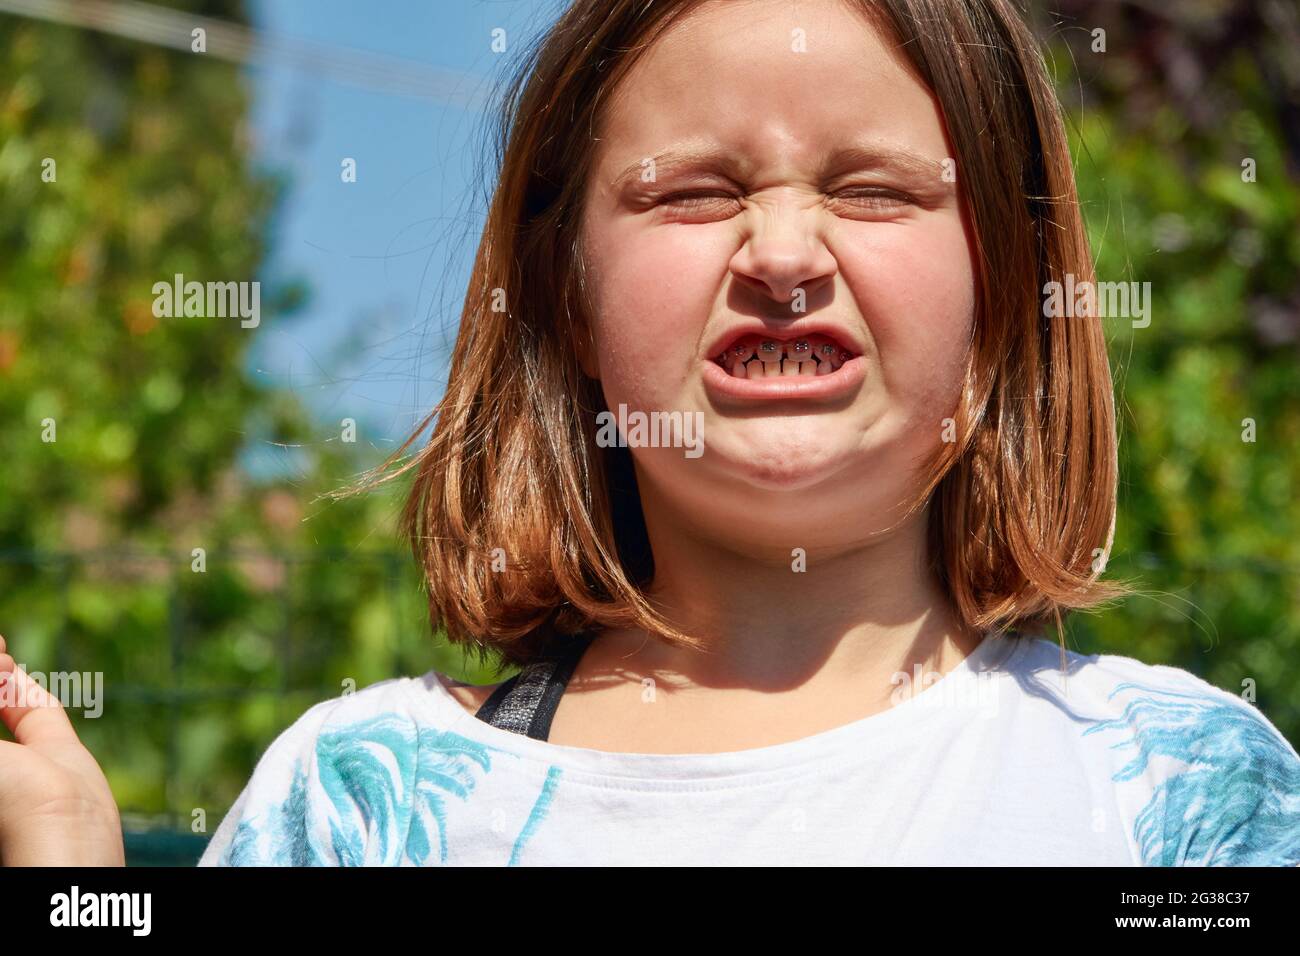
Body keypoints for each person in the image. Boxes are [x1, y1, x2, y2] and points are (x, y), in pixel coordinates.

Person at [2, 0, 1297, 867]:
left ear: (1008, 297)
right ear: (563, 297)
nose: (783, 254)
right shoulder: (362, 806)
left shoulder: (1181, 798)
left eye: (871, 188)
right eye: (692, 192)